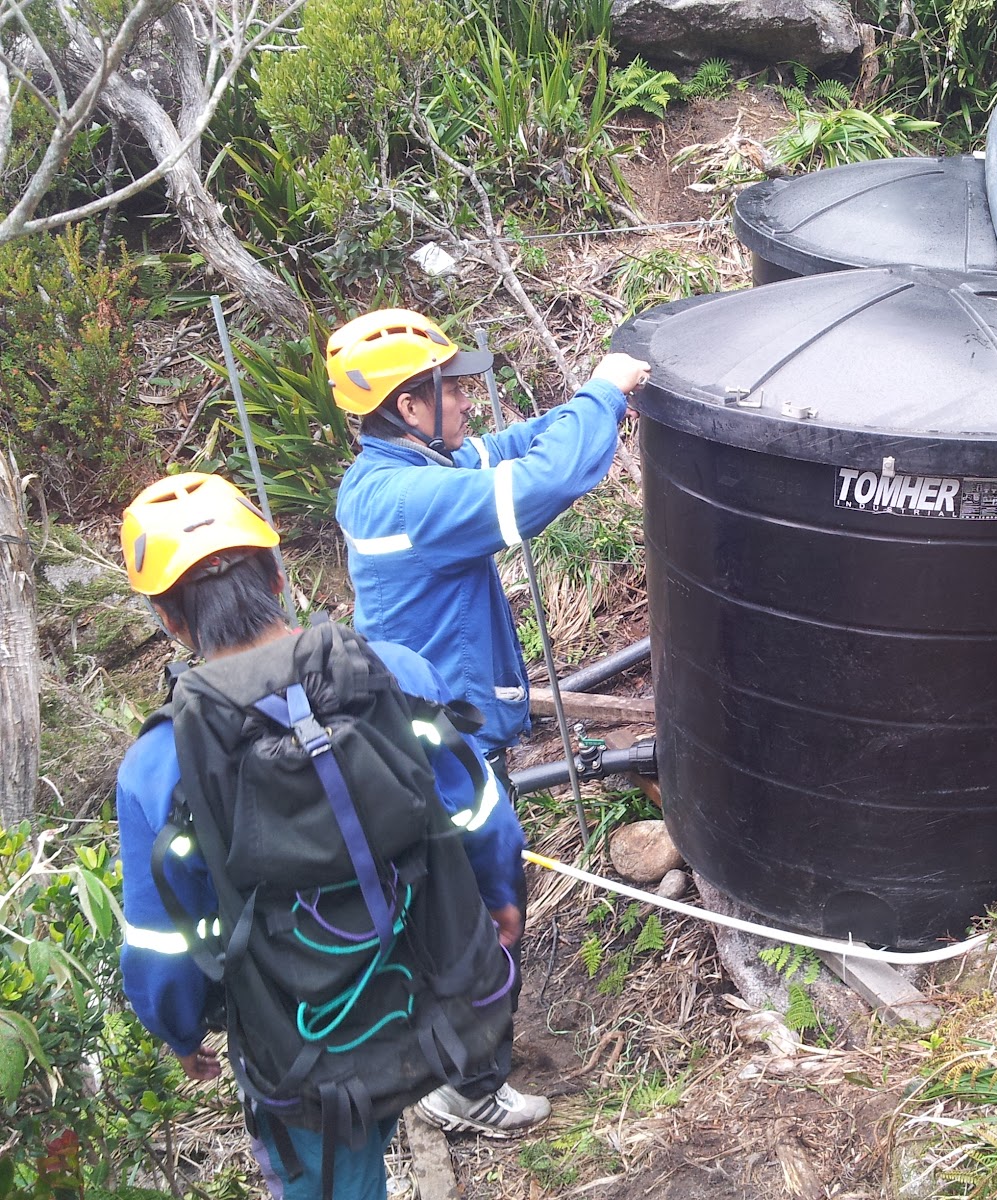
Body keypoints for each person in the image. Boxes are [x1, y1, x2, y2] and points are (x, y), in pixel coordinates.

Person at [115, 473, 542, 1199]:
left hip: (299, 1043)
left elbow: (162, 941)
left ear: (171, 620)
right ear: (277, 577)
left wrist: (180, 1031)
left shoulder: (160, 763)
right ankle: (463, 1099)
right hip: (428, 992)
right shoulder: (389, 673)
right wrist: (503, 898)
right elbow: (480, 812)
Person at [329, 309, 651, 780]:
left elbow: (503, 449)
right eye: (453, 390)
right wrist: (601, 392)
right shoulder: (411, 500)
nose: (468, 403)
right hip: (449, 747)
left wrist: (597, 407)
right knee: (482, 828)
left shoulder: (382, 474)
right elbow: (542, 484)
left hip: (423, 723)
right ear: (409, 408)